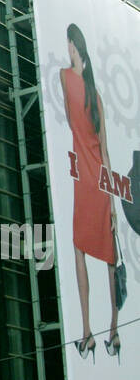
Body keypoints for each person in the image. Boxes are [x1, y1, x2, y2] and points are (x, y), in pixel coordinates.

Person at [61, 24, 121, 362]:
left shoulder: (64, 78)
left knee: (80, 250)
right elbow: (108, 152)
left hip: (84, 180)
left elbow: (70, 123)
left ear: (73, 46)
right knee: (109, 259)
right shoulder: (96, 96)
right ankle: (113, 328)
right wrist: (112, 202)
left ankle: (87, 333)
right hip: (101, 184)